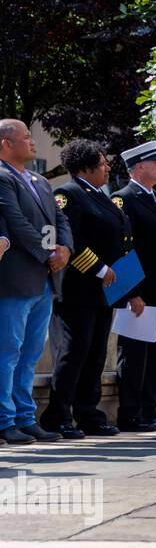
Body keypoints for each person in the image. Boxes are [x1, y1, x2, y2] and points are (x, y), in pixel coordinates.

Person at [39, 140, 132, 440]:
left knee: (95, 353)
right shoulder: (68, 195)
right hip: (78, 289)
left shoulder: (101, 196)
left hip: (103, 291)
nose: (108, 167)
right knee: (73, 351)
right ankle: (58, 415)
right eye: (102, 163)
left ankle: (88, 413)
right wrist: (100, 268)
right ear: (84, 167)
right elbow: (70, 239)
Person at [0, 119, 72, 445]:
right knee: (9, 350)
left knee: (30, 352)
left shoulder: (40, 181)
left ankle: (25, 416)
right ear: (5, 144)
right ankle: (5, 419)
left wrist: (66, 248)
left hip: (44, 280)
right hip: (17, 278)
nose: (32, 142)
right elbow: (15, 222)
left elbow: (60, 219)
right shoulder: (2, 178)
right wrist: (47, 253)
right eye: (26, 137)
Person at [113, 141, 156, 433]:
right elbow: (123, 248)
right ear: (139, 166)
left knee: (154, 357)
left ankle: (149, 410)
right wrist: (131, 292)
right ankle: (131, 414)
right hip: (140, 293)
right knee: (134, 356)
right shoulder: (124, 198)